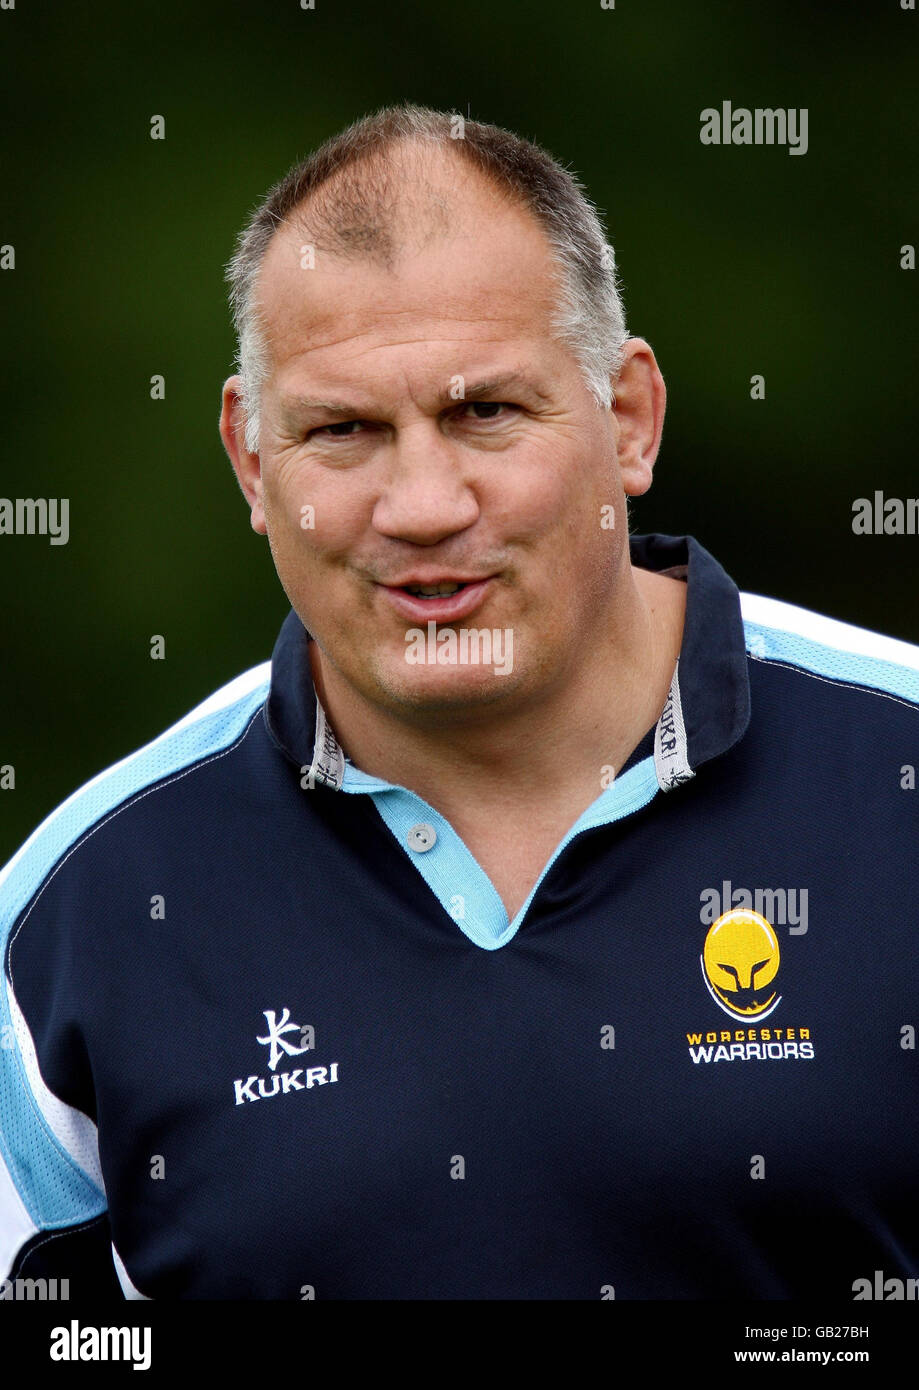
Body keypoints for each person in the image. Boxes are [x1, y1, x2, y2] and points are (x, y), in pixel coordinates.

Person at [1, 104, 916, 1301]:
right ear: (251, 461)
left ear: (627, 418)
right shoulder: (73, 913)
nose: (423, 504)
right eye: (342, 429)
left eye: (484, 412)